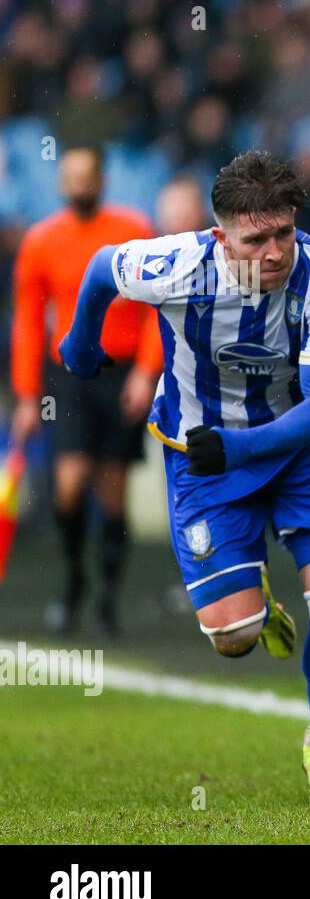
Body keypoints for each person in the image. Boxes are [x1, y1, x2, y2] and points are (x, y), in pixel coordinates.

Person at [58, 150, 310, 803]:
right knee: (233, 639)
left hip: (296, 447)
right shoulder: (177, 266)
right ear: (221, 235)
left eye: (285, 231)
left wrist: (239, 447)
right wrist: (81, 346)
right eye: (258, 239)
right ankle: (255, 584)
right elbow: (97, 271)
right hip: (201, 451)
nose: (277, 250)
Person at [8, 144, 161, 636]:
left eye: (86, 175)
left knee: (113, 495)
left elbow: (156, 307)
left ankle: (107, 600)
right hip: (67, 376)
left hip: (120, 373)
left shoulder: (133, 231)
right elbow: (29, 323)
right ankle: (75, 581)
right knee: (69, 487)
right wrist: (29, 395)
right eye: (70, 176)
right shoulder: (40, 241)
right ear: (61, 184)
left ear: (101, 180)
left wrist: (146, 371)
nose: (78, 184)